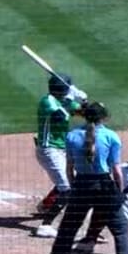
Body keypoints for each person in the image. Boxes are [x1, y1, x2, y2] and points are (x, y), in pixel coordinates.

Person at [44, 102, 128, 254]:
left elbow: (70, 168)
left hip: (81, 185)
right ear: (103, 117)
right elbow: (116, 170)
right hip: (104, 186)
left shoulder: (72, 136)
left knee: (67, 229)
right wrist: (119, 192)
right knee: (121, 230)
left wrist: (76, 186)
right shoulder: (111, 136)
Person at [30, 73, 88, 238]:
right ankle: (45, 226)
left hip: (61, 148)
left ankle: (47, 205)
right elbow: (59, 117)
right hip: (49, 150)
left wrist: (83, 100)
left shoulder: (63, 101)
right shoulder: (47, 101)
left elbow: (87, 113)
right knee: (68, 190)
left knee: (71, 178)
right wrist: (70, 98)